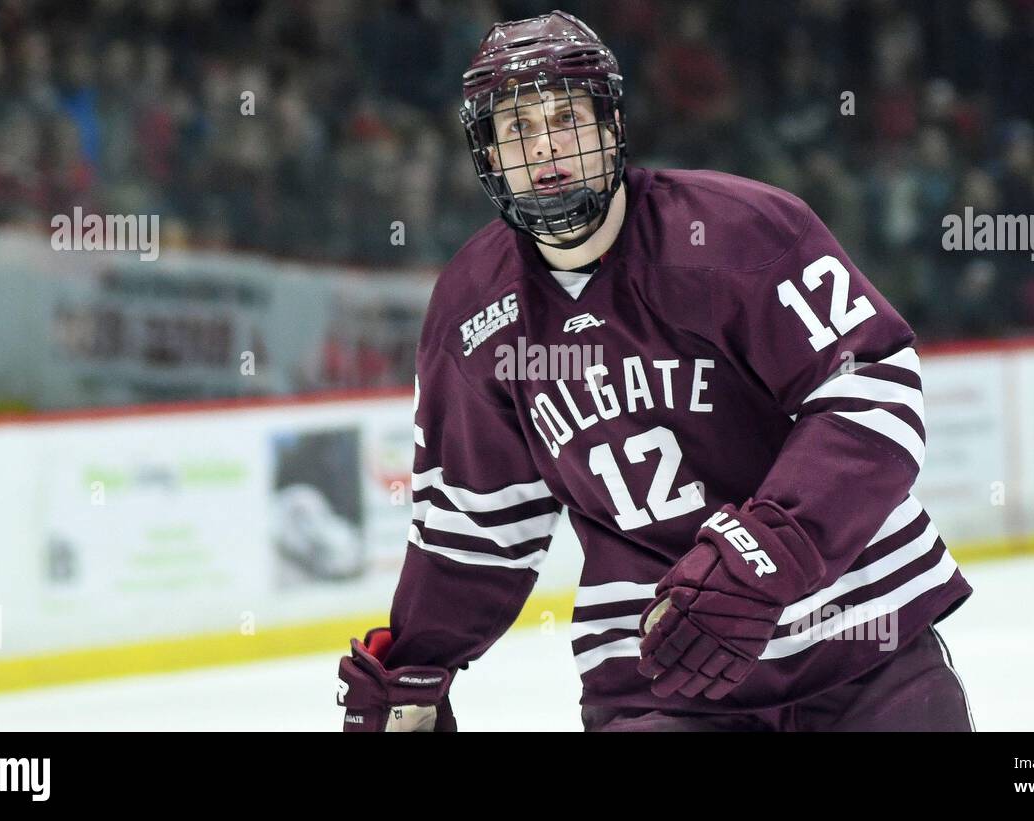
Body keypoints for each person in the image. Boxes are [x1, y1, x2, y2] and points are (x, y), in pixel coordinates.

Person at [337, 10, 974, 732]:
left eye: (566, 120)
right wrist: (416, 663)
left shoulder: (740, 233)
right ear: (487, 153)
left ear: (610, 128)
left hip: (860, 637)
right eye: (517, 130)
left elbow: (870, 392)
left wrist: (768, 548)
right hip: (663, 679)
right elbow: (478, 526)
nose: (546, 149)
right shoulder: (474, 312)